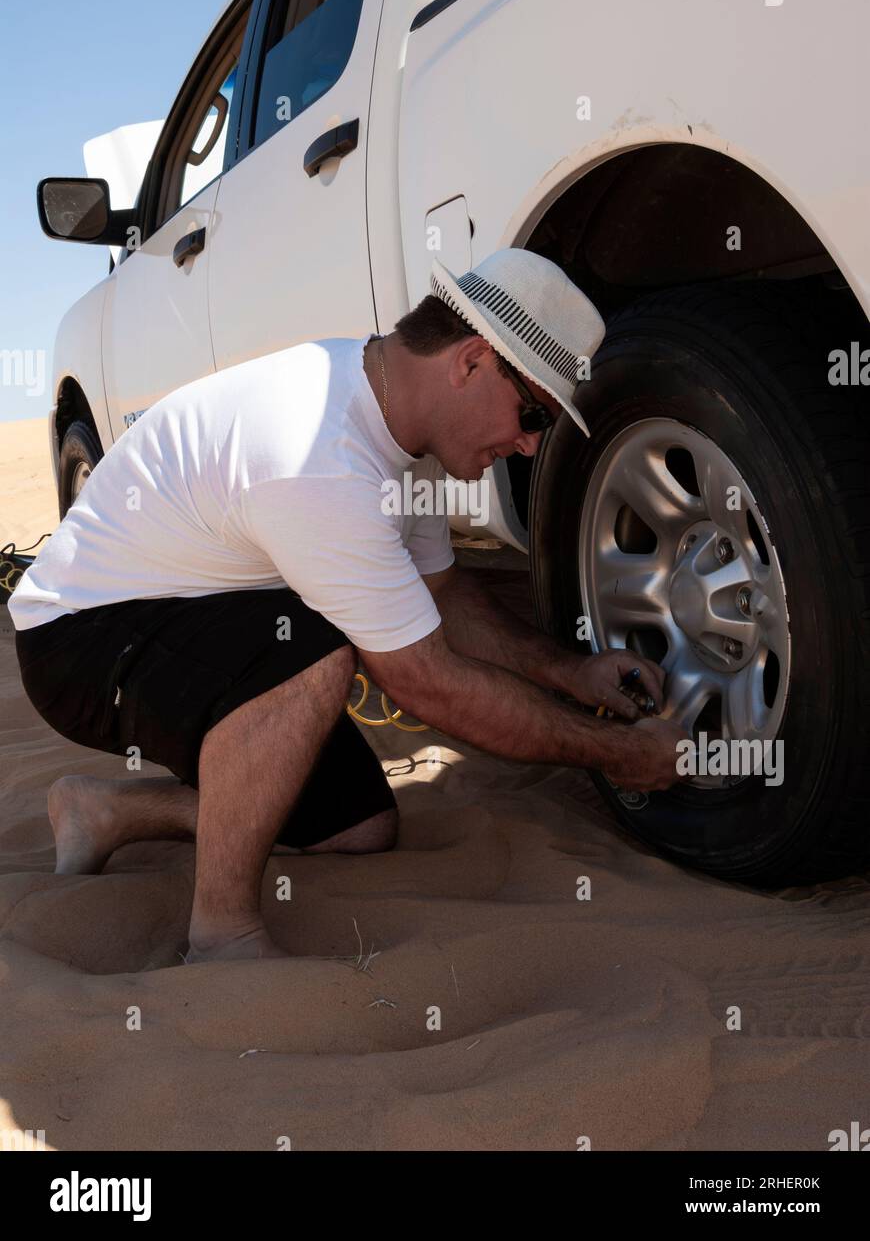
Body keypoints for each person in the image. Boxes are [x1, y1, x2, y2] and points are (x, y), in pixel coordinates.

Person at [10, 249, 685, 963]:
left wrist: (572, 676)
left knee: (356, 828)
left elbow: (442, 596)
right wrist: (618, 752)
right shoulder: (320, 451)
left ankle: (107, 811)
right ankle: (222, 933)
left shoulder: (394, 429)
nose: (525, 445)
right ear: (471, 361)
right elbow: (427, 682)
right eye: (531, 414)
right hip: (78, 641)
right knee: (315, 650)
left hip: (181, 616)